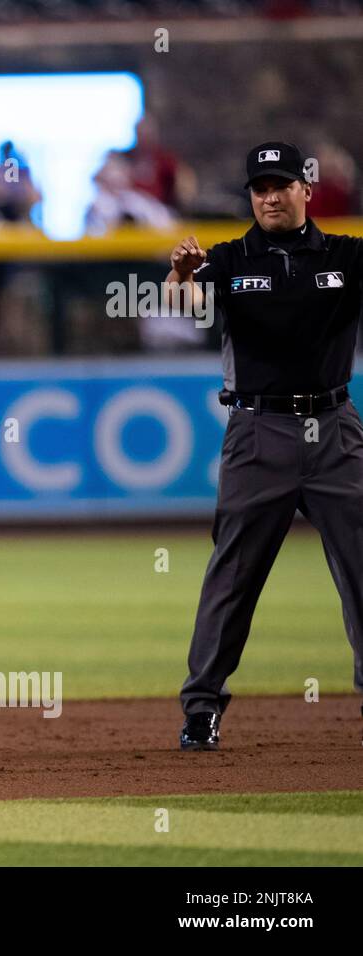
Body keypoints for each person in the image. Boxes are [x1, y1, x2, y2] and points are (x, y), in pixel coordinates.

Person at [168, 141, 363, 751]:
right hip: (259, 432)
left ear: (307, 188)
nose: (270, 196)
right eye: (259, 188)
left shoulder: (345, 255)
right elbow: (181, 308)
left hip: (334, 428)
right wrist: (179, 278)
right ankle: (202, 708)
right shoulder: (227, 260)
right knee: (233, 576)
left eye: (280, 185)